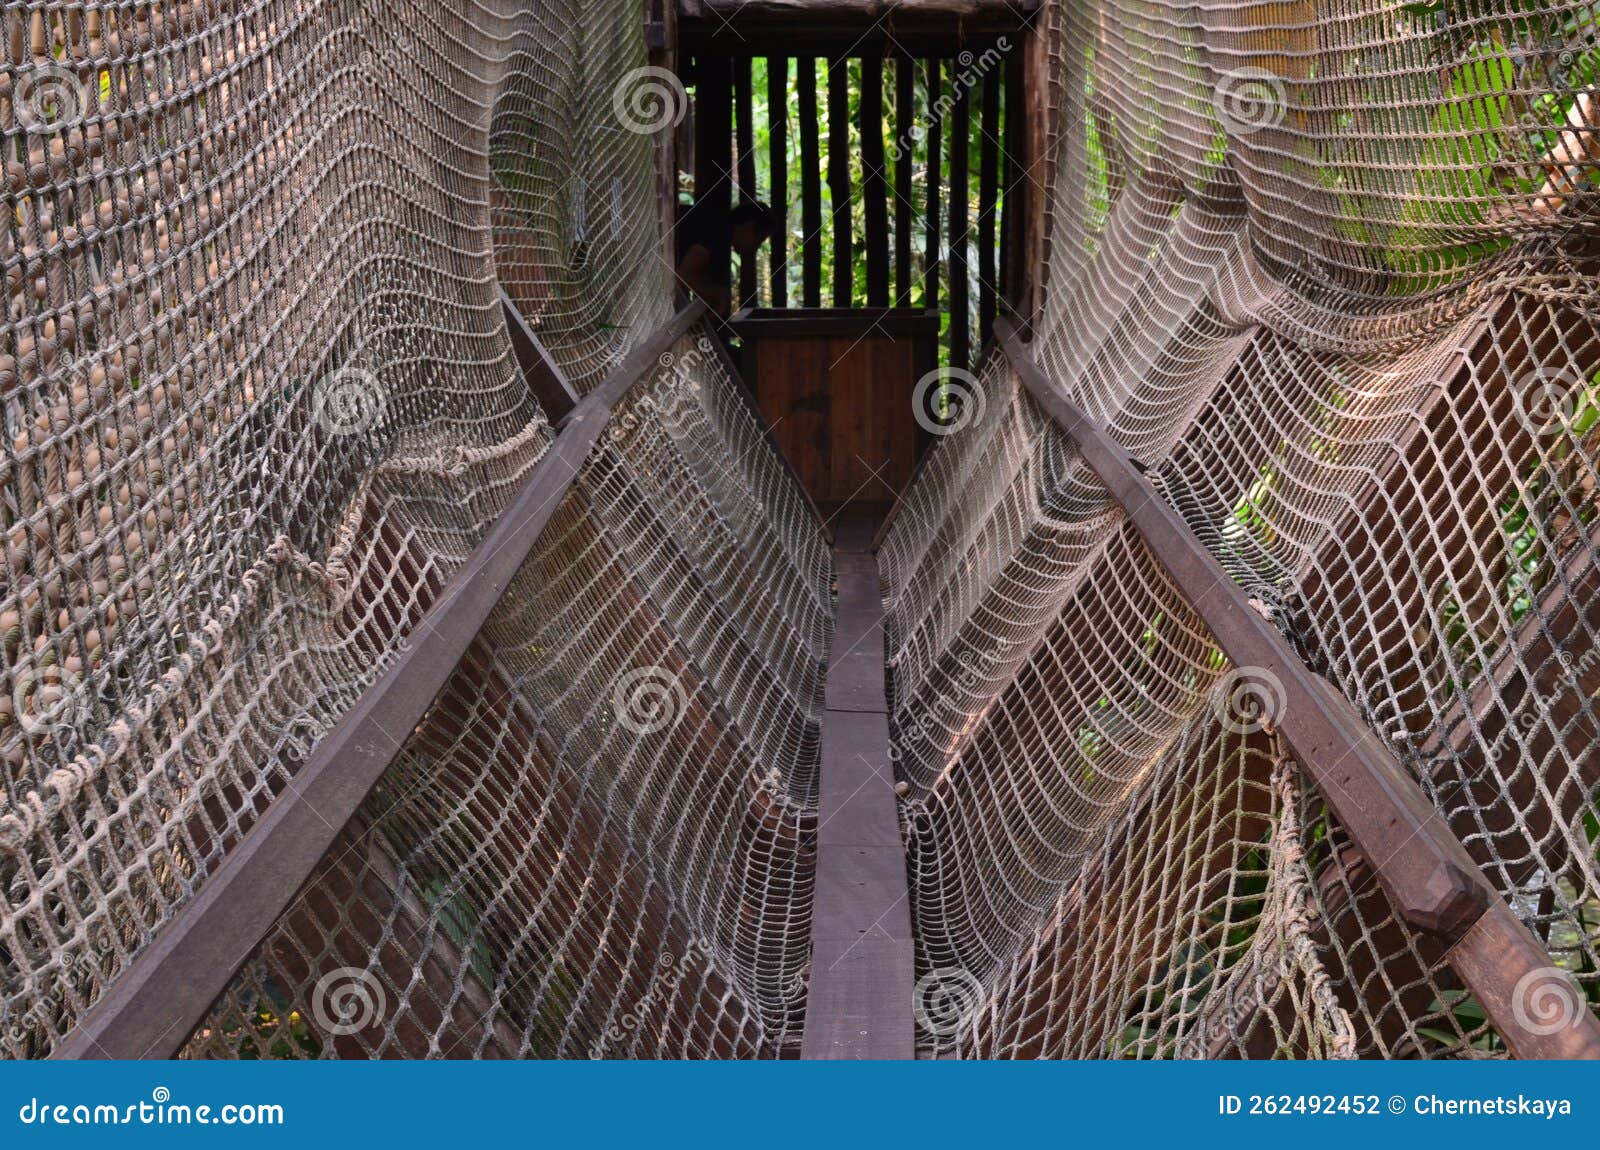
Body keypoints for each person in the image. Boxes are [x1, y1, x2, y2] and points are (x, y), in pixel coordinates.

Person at [674, 199, 779, 319]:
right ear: (748, 228)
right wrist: (716, 293)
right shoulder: (716, 232)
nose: (756, 247)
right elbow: (681, 276)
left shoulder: (719, 228)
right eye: (758, 240)